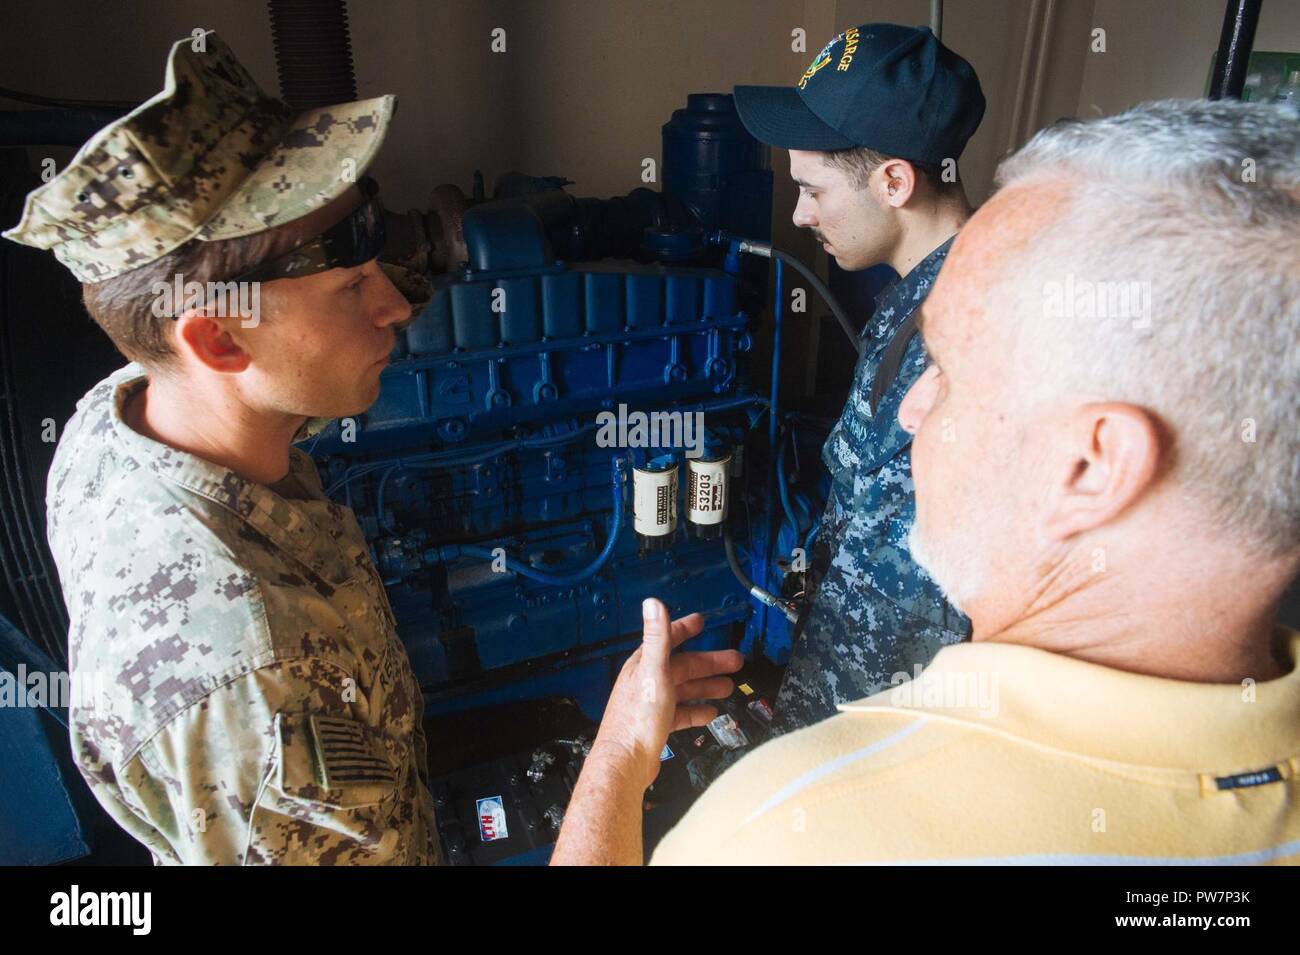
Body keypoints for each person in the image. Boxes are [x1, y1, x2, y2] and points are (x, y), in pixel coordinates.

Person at [553, 98, 1300, 865]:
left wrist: (617, 754)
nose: (911, 408)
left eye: (945, 369)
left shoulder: (788, 827)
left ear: (1093, 464)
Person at [4, 32, 440, 864]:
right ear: (218, 342)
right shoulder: (251, 684)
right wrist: (620, 759)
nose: (394, 303)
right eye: (351, 284)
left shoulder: (123, 411)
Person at [731, 23, 984, 732]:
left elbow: (904, 613)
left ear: (895, 181)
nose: (798, 214)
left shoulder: (960, 343)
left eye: (812, 190)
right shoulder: (921, 291)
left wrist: (804, 750)